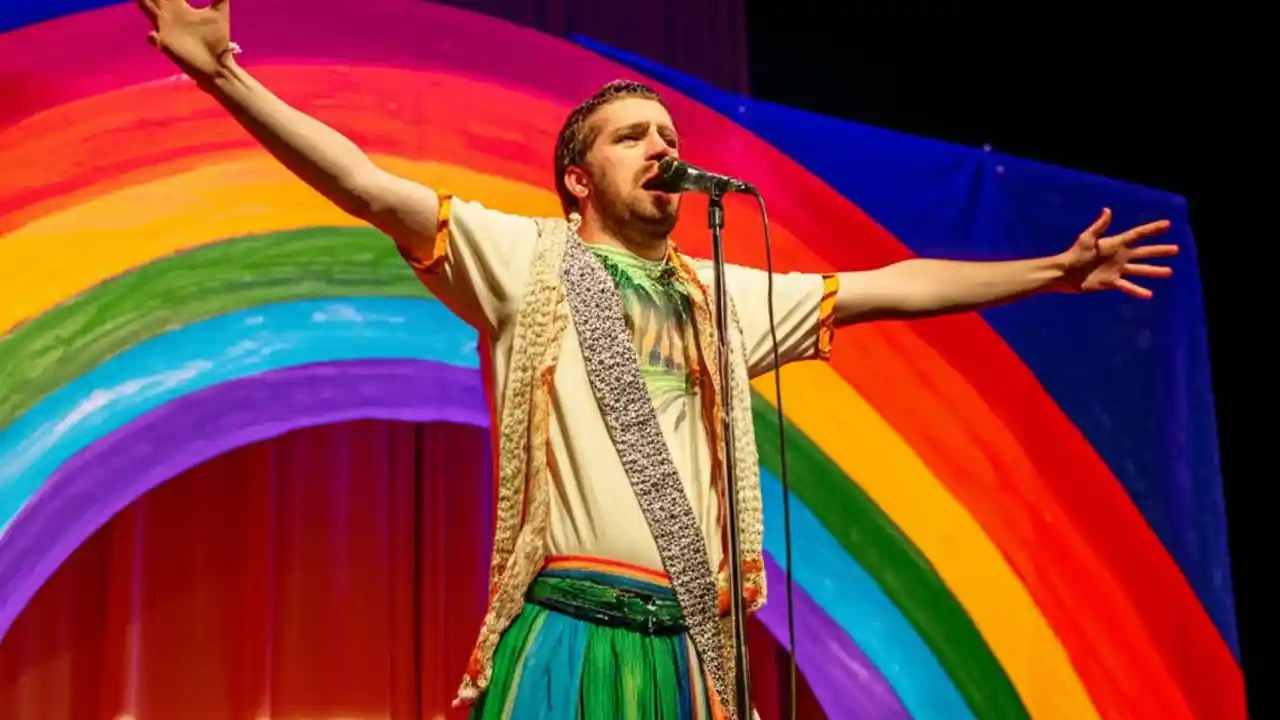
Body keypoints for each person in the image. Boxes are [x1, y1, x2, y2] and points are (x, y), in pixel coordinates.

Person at [134, 1, 1179, 718]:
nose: (660, 148)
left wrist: (1049, 271)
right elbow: (367, 187)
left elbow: (888, 288)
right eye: (632, 135)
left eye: (667, 134)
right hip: (566, 624)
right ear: (577, 179)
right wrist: (225, 73)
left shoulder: (718, 293)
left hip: (685, 637)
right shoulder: (523, 258)